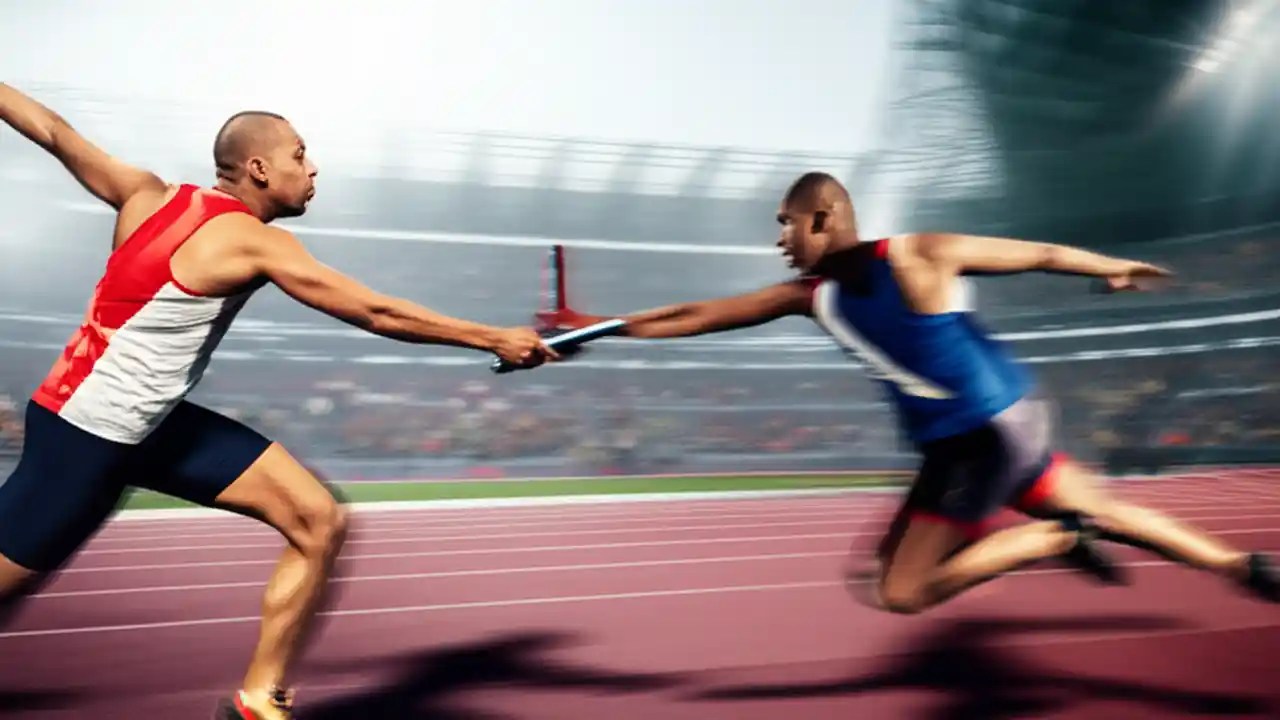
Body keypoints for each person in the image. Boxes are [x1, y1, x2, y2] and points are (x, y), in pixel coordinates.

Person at [0, 82, 558, 719]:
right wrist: (492, 337)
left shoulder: (146, 193)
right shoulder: (252, 241)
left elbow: (53, 130)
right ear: (259, 169)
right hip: (84, 435)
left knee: (317, 519)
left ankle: (258, 701)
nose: (312, 168)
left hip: (150, 426)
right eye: (299, 155)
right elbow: (374, 312)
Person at [546, 171, 1279, 614]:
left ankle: (1053, 537)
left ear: (823, 217)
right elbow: (696, 314)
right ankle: (1237, 566)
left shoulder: (913, 256)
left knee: (899, 591)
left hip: (972, 444)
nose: (780, 241)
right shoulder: (815, 293)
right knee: (1109, 512)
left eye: (785, 225)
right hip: (1011, 422)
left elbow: (1038, 253)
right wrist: (594, 328)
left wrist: (1108, 265)